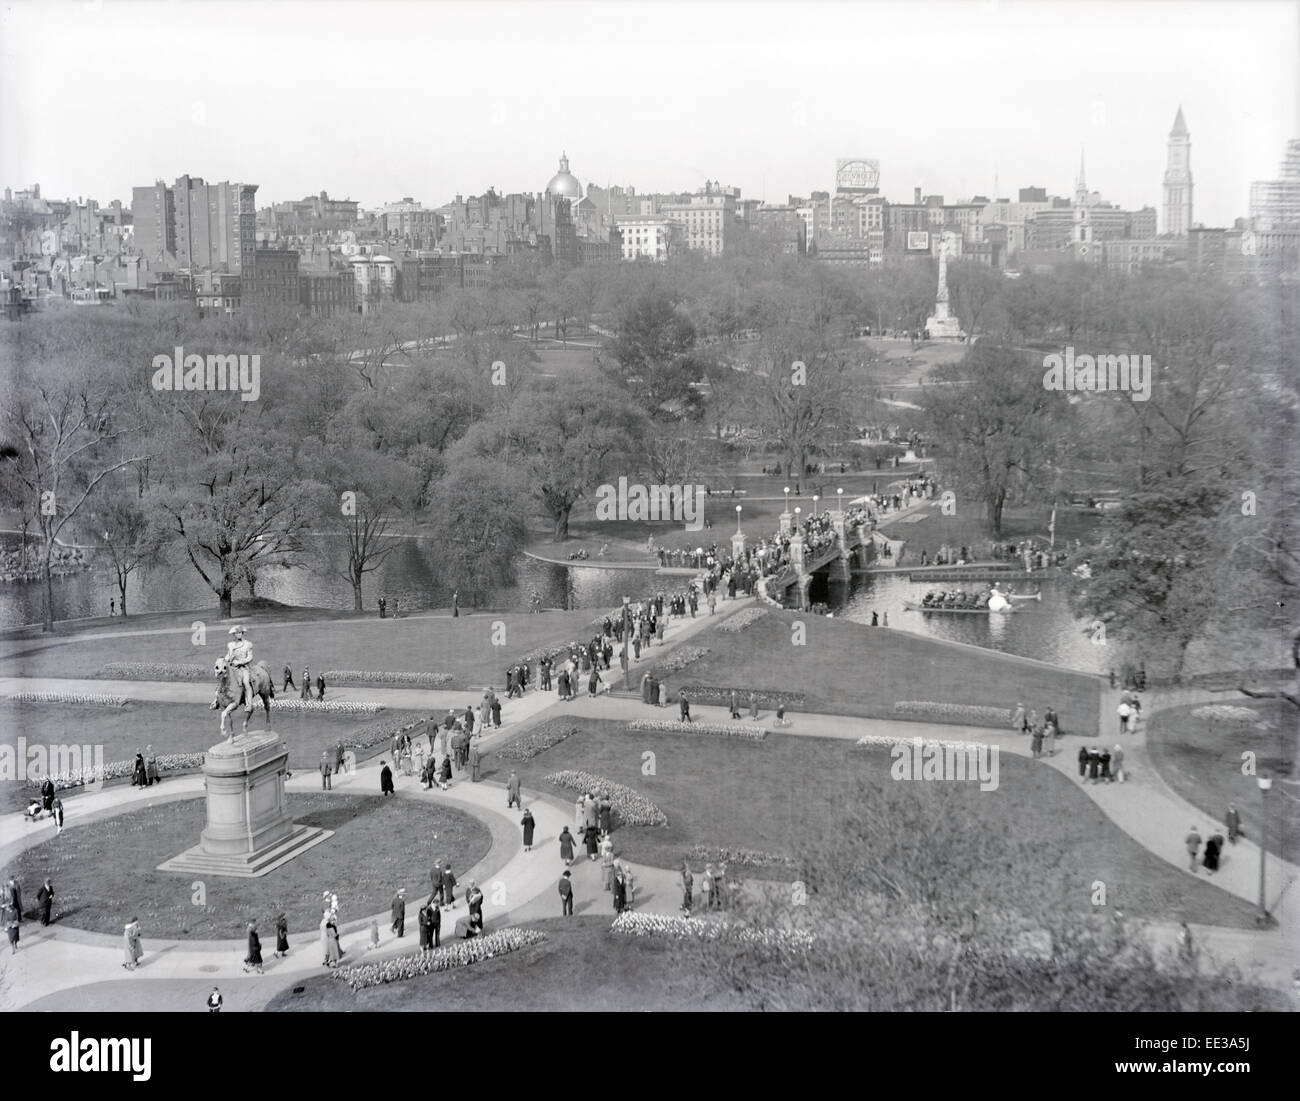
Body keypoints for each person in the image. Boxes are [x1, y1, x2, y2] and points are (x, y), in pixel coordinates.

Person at [225, 625, 255, 710]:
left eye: (240, 633)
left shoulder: (248, 644)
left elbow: (250, 657)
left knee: (246, 682)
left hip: (243, 667)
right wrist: (224, 660)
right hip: (232, 667)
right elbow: (228, 655)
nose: (239, 634)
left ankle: (249, 704)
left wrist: (239, 662)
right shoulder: (230, 645)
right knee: (223, 679)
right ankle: (217, 700)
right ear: (233, 634)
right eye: (237, 633)